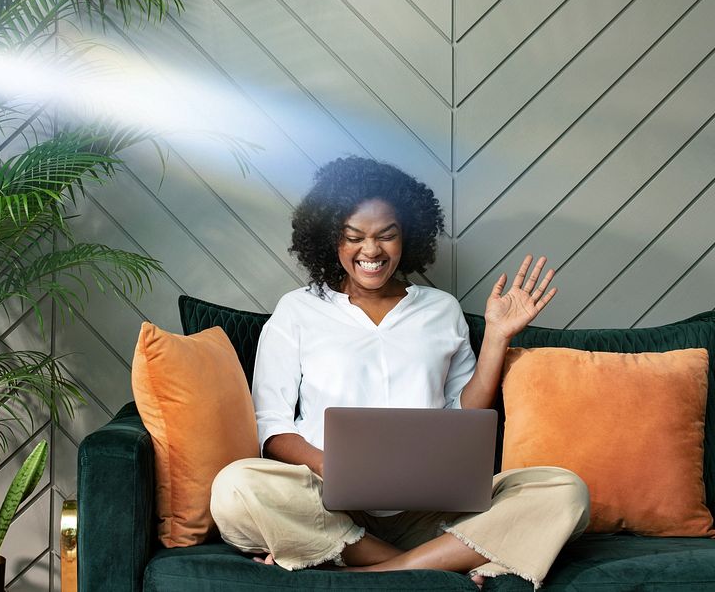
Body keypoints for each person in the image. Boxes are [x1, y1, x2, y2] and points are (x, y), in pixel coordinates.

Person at [210, 156, 589, 589]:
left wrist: (497, 337)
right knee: (236, 489)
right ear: (330, 238)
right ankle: (432, 565)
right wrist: (333, 468)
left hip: (431, 508)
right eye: (353, 237)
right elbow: (272, 425)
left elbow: (462, 415)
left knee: (565, 491)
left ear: (407, 237)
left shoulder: (440, 309)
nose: (370, 251)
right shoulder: (298, 310)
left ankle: (375, 572)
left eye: (386, 236)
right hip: (327, 506)